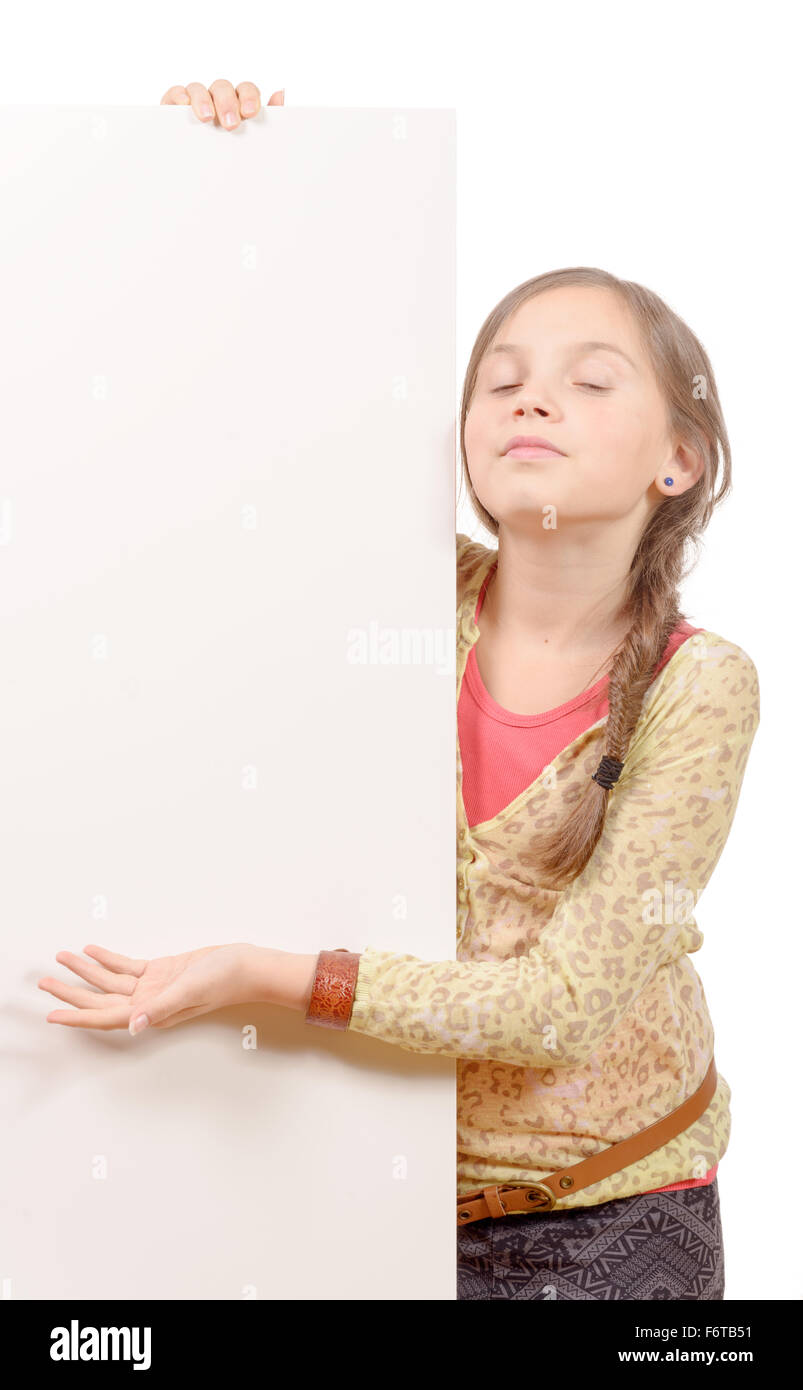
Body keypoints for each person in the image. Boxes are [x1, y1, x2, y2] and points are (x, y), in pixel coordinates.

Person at [38, 80, 760, 1301]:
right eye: (500, 378)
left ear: (678, 458)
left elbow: (556, 1008)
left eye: (591, 382)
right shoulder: (394, 592)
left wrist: (274, 976)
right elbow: (259, 426)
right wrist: (233, 175)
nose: (533, 397)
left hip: (608, 1209)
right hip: (361, 1184)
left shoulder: (702, 686)